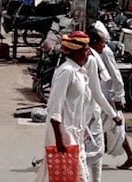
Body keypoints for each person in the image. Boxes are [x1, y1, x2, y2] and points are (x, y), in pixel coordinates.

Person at [34, 32, 93, 182]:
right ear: (76, 52)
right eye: (86, 50)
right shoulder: (66, 71)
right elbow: (54, 107)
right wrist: (59, 140)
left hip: (76, 134)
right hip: (65, 134)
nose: (88, 53)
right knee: (77, 177)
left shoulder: (80, 72)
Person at [89, 24, 132, 170]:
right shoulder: (91, 53)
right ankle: (130, 156)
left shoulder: (105, 52)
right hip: (99, 96)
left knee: (105, 126)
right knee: (113, 127)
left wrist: (118, 97)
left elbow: (115, 76)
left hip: (107, 96)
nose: (103, 45)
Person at [82, 31, 123, 182]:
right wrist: (113, 114)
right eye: (102, 43)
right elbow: (96, 92)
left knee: (97, 153)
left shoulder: (96, 56)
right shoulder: (91, 60)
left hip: (94, 111)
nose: (104, 46)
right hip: (88, 113)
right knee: (88, 155)